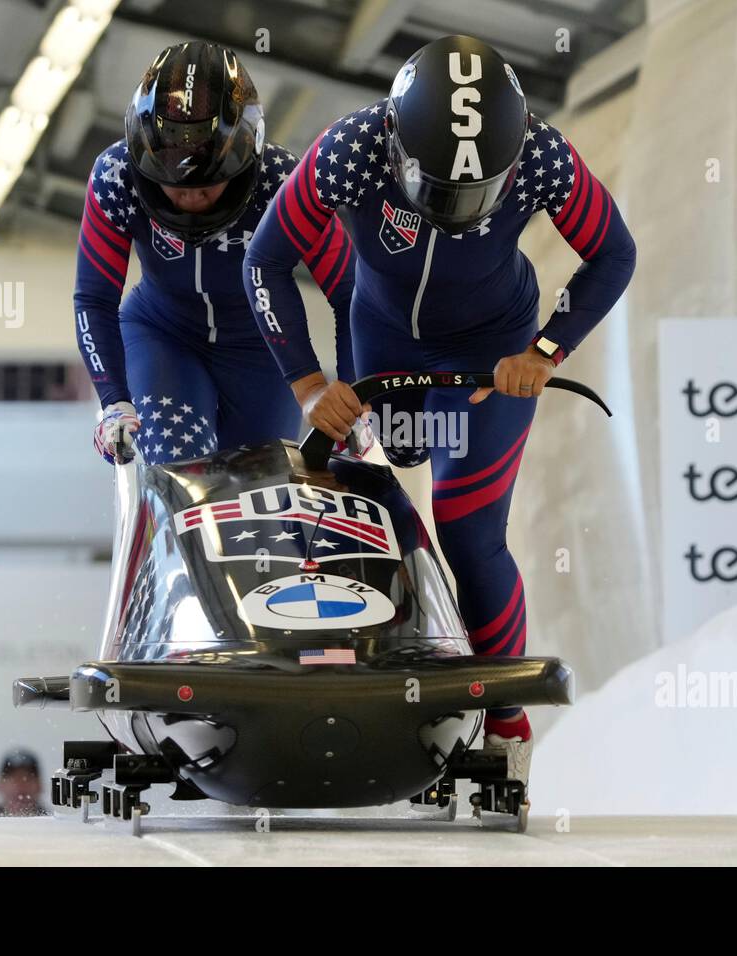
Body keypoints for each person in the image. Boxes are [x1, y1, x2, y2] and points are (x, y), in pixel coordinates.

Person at [244, 35, 636, 783]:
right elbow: (264, 259)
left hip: (491, 356)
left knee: (466, 530)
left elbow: (614, 252)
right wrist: (306, 384)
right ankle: (354, 676)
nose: (458, 213)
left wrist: (546, 352)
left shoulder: (543, 157)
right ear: (396, 145)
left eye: (478, 193)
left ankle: (506, 727)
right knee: (368, 497)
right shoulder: (348, 150)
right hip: (382, 341)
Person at [75, 41, 355, 465]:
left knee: (259, 508)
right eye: (172, 181)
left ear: (244, 157)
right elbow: (94, 298)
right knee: (181, 468)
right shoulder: (115, 178)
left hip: (263, 354)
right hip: (163, 338)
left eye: (208, 182)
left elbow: (350, 290)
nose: (190, 197)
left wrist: (356, 395)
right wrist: (114, 399)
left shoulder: (284, 182)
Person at [0, 750, 50, 817]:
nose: (20, 785)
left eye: (28, 778)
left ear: (39, 786)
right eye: (12, 779)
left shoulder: (54, 825)